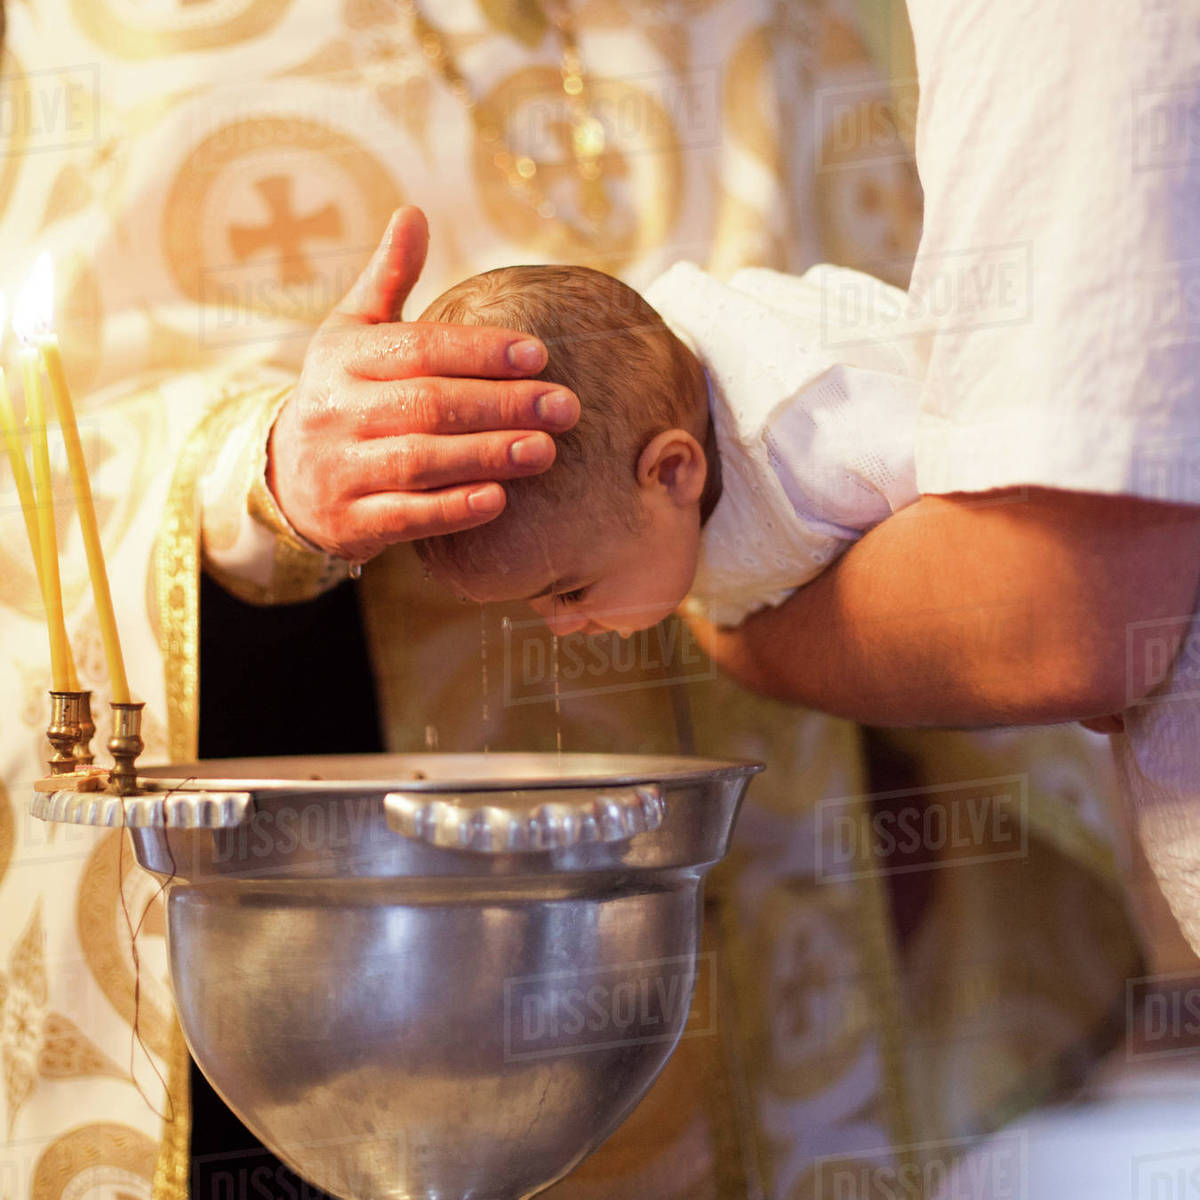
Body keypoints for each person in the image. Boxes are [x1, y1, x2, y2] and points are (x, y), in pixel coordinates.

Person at [0, 4, 1149, 1200]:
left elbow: (947, 386)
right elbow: (38, 425)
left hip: (794, 890)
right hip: (345, 965)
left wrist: (933, 800)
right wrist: (271, 467)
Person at [409, 260, 922, 634]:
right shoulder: (640, 465)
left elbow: (977, 487)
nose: (561, 628)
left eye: (570, 593)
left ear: (673, 472)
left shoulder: (828, 440)